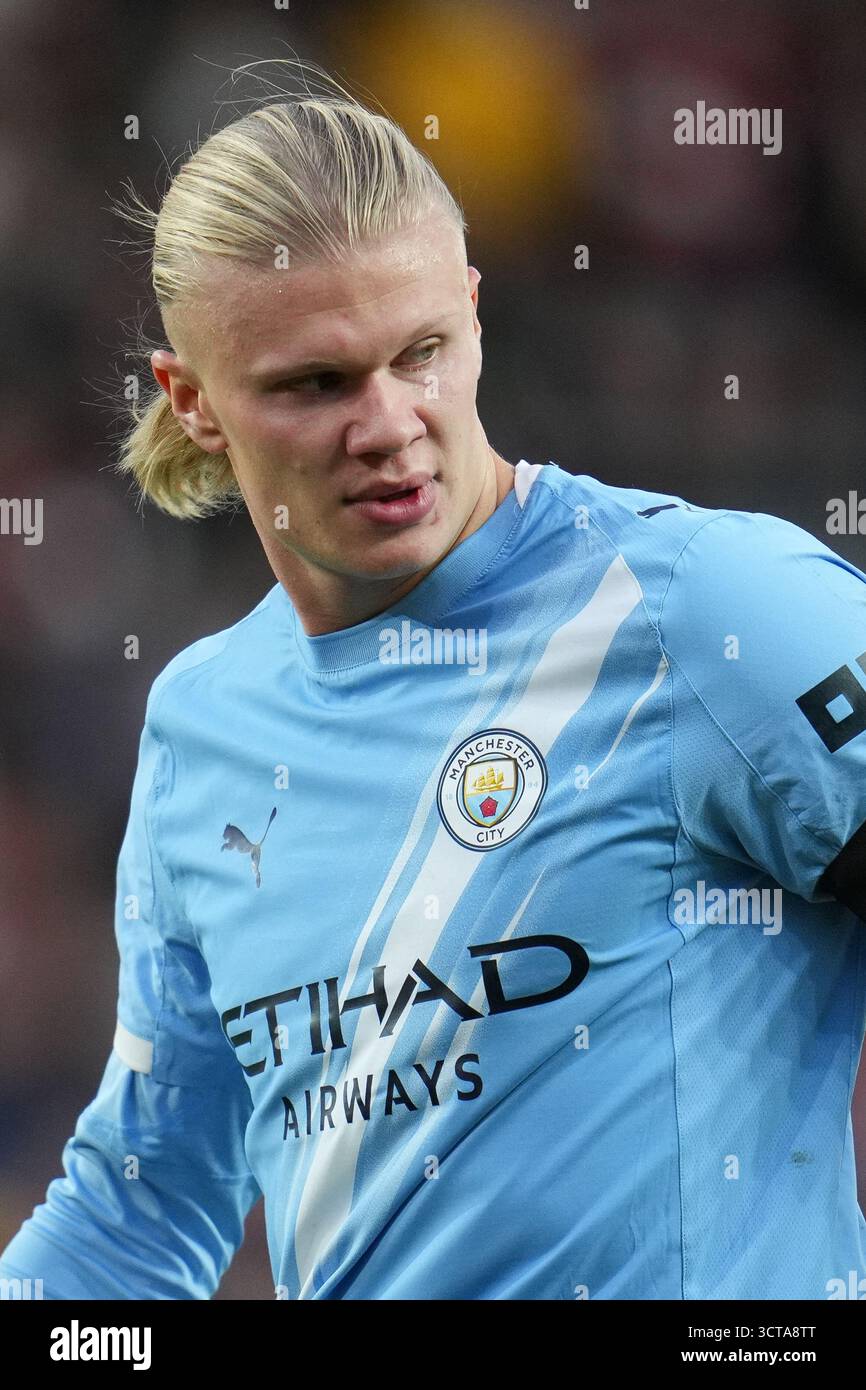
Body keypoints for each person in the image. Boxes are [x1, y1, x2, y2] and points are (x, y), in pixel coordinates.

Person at [2, 65, 866, 1302]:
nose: (392, 422)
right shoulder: (202, 726)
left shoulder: (709, 611)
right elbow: (136, 1220)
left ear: (472, 310)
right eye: (316, 384)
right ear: (192, 403)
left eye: (422, 353)